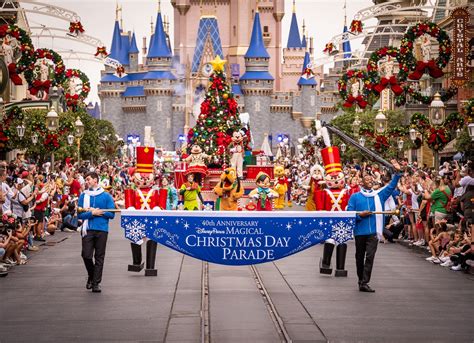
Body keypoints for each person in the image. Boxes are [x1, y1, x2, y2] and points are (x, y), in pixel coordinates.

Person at [347, 160, 402, 293]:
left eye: (371, 179)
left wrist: (398, 173)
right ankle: (360, 280)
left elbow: (391, 186)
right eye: (367, 179)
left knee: (370, 257)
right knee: (359, 257)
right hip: (360, 232)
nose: (370, 181)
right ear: (362, 182)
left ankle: (365, 282)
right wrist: (361, 215)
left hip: (373, 233)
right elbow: (349, 213)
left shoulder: (379, 195)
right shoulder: (354, 197)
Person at [78, 171, 116, 293]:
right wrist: (91, 213)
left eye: (88, 179)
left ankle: (96, 283)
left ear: (95, 180)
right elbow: (79, 214)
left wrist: (101, 212)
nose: (86, 181)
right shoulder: (83, 196)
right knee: (86, 255)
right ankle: (92, 275)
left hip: (102, 230)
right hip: (87, 229)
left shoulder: (106, 196)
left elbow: (112, 214)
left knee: (99, 257)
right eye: (86, 179)